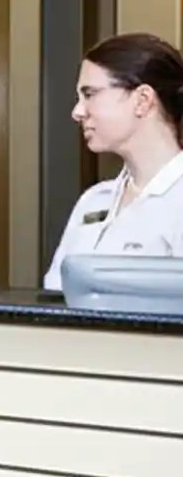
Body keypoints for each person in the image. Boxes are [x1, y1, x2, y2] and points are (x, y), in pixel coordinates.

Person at [44, 32, 183, 291]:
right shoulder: (94, 200)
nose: (78, 112)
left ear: (142, 100)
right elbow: (56, 294)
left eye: (90, 94)